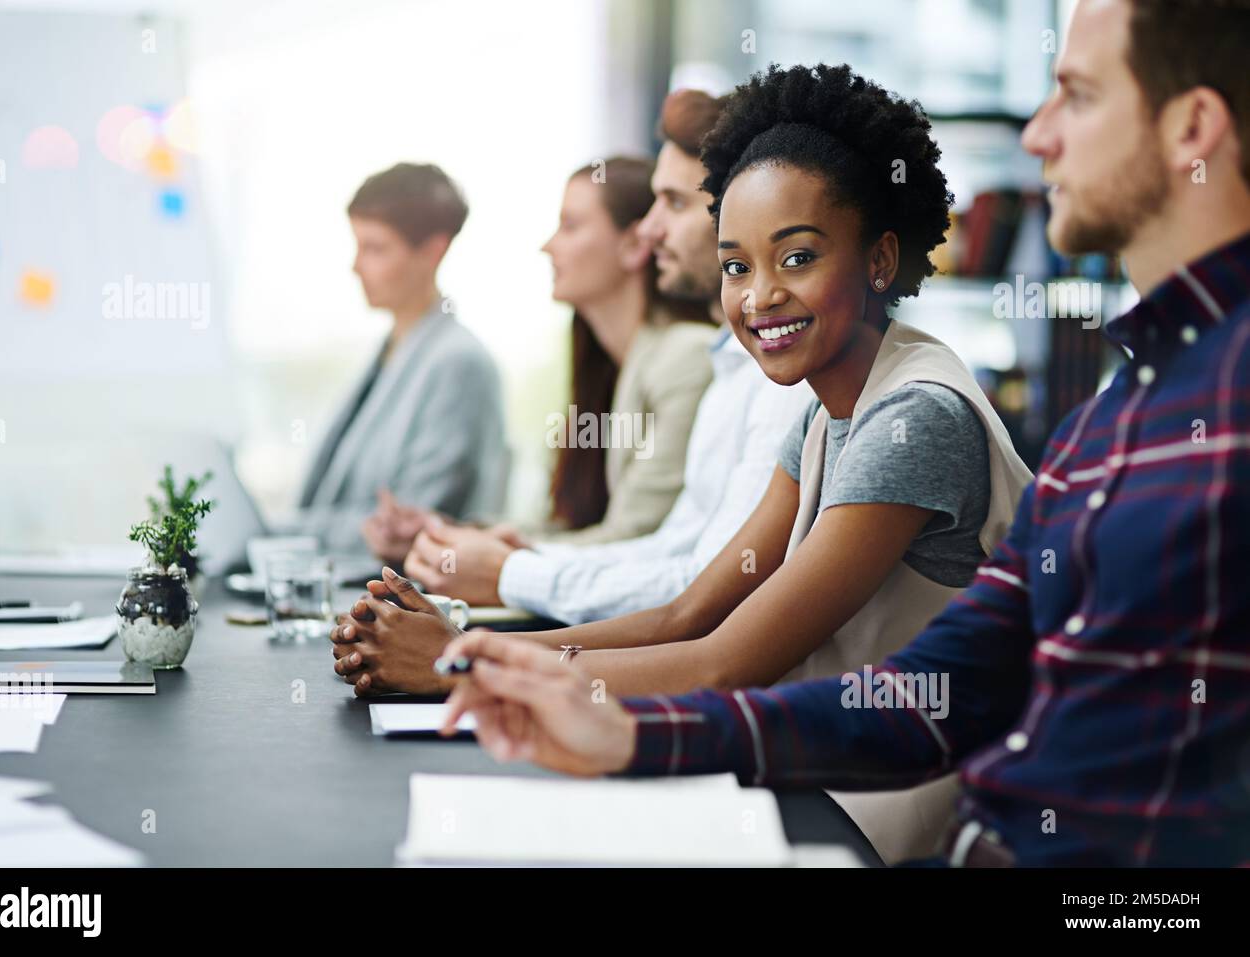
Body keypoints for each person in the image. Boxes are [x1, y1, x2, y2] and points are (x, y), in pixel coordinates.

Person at [433, 0, 1250, 868]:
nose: (1039, 135)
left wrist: (509, 667)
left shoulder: (938, 414)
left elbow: (726, 655)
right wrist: (620, 728)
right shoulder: (1109, 419)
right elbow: (933, 693)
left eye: (1077, 97)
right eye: (738, 264)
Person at [330, 63, 1034, 864]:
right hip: (813, 792)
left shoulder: (915, 419)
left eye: (796, 257)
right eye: (737, 265)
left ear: (879, 260)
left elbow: (728, 661)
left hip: (887, 828)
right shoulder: (819, 410)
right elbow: (687, 615)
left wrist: (464, 666)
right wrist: (468, 641)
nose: (759, 295)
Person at [398, 90, 811, 622]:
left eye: (676, 203)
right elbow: (674, 549)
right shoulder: (728, 367)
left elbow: (691, 589)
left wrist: (509, 574)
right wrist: (520, 556)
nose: (651, 227)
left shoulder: (729, 368)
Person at [365, 156, 719, 563]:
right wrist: (445, 533)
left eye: (570, 226)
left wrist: (488, 558)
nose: (547, 246)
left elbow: (636, 538)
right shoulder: (608, 368)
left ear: (634, 245)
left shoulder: (685, 358)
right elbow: (573, 528)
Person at [294, 163, 507, 558]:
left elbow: (415, 520)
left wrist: (282, 532)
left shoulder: (459, 364)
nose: (356, 266)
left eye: (375, 248)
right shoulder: (388, 352)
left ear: (432, 251)